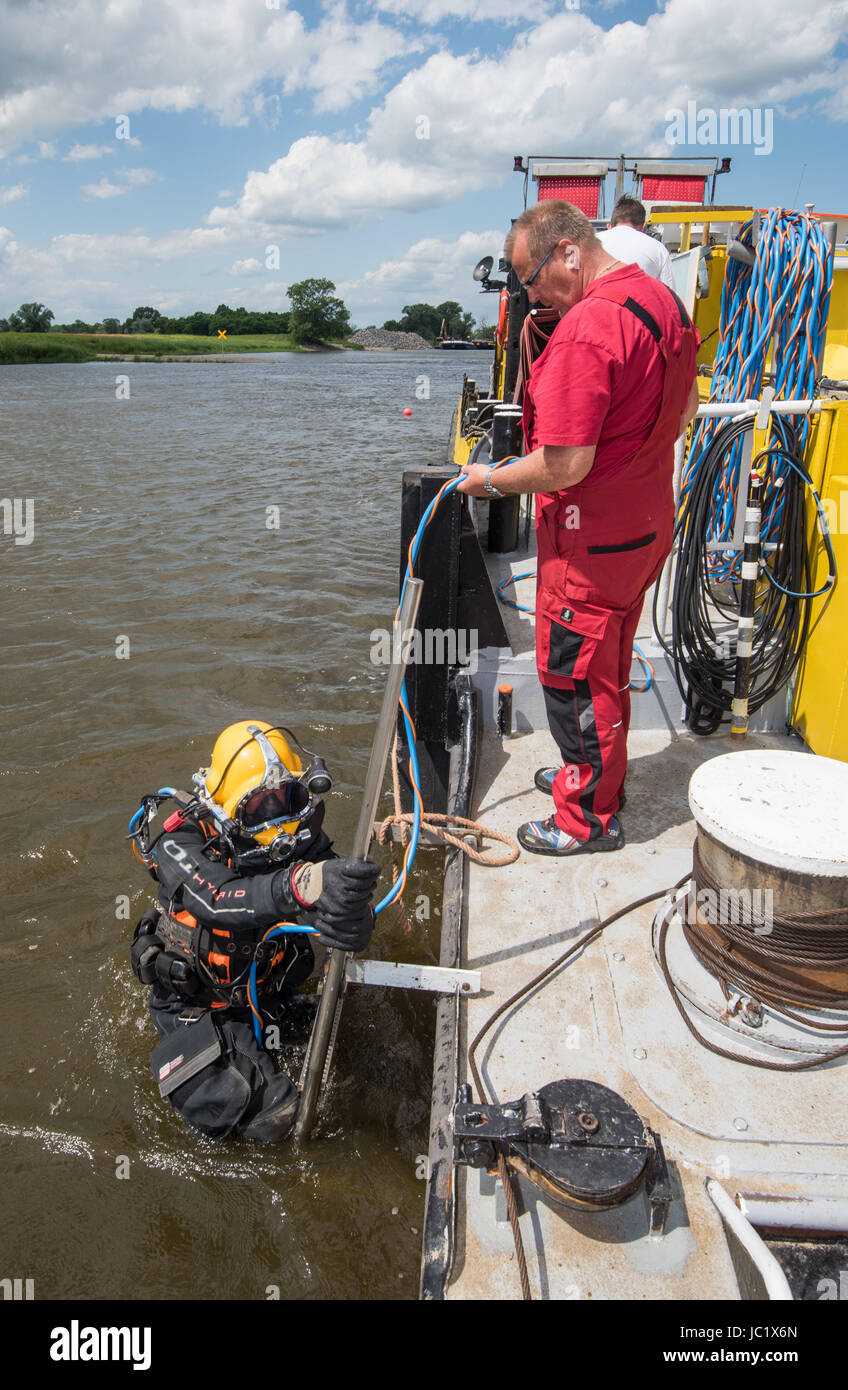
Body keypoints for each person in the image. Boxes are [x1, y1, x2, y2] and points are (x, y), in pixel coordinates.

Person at [457, 200, 700, 856]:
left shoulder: (587, 328)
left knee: (570, 675)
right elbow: (688, 406)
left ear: (568, 251)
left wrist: (487, 480)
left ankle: (584, 817)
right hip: (645, 525)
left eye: (531, 279)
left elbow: (565, 465)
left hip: (590, 540)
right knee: (610, 663)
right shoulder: (665, 304)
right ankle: (593, 778)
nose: (531, 295)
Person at [128, 720, 380, 1140]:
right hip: (200, 1005)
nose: (275, 813)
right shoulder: (181, 842)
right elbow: (217, 899)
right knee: (276, 1121)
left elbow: (338, 887)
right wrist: (297, 886)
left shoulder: (298, 833)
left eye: (285, 797)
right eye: (259, 804)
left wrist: (357, 918)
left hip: (270, 991)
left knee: (362, 1042)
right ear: (228, 804)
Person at [598, 195, 676, 288]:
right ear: (643, 226)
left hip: (594, 301)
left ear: (610, 225)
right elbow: (668, 294)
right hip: (640, 301)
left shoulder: (591, 241)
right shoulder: (658, 249)